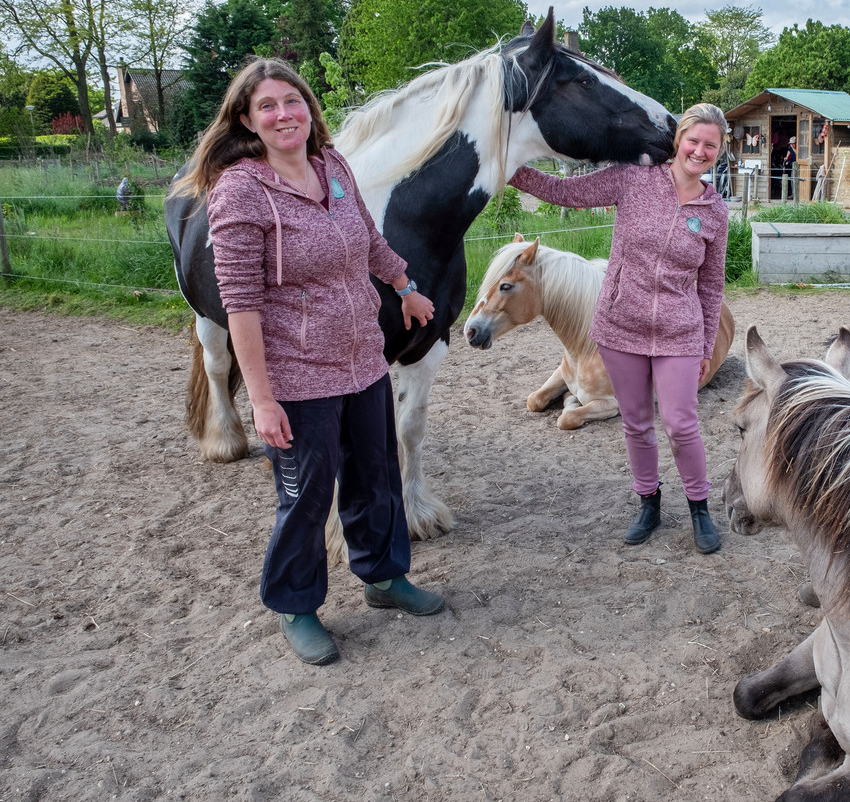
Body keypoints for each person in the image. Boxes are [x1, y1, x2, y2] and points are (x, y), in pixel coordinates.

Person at [174, 58, 444, 666]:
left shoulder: (333, 166)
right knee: (306, 495)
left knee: (376, 477)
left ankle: (384, 577)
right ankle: (295, 607)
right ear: (247, 120)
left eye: (291, 101)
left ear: (308, 108)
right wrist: (262, 399)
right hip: (297, 375)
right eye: (266, 106)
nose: (283, 114)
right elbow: (240, 305)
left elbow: (368, 238)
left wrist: (404, 285)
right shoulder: (240, 191)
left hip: (364, 360)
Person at [508, 102, 730, 554]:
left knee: (681, 424)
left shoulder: (714, 212)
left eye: (710, 145)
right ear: (679, 140)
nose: (699, 151)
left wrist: (707, 344)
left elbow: (711, 287)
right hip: (620, 325)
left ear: (720, 151)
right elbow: (564, 192)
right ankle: (649, 503)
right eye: (693, 140)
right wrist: (508, 168)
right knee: (636, 423)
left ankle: (699, 508)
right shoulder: (633, 179)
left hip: (679, 332)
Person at [782, 136, 798, 200]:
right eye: (791, 144)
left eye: (793, 143)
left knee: (796, 180)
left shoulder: (798, 147)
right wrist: (787, 157)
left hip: (798, 164)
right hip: (793, 164)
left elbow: (798, 155)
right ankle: (793, 194)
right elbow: (789, 150)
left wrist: (794, 149)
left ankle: (796, 195)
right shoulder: (790, 147)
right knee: (792, 179)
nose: (791, 145)